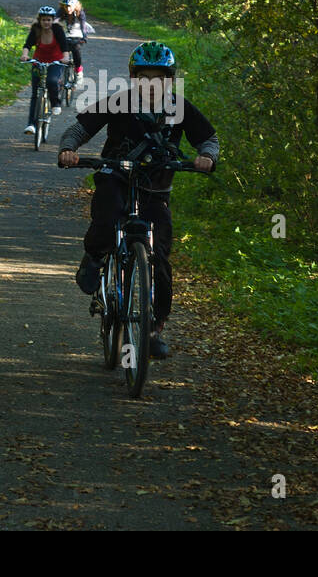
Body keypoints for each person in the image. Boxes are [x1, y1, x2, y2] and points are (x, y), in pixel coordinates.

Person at [57, 41, 218, 358]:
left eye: (160, 78)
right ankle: (93, 257)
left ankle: (154, 327)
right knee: (107, 217)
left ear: (170, 79)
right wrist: (68, 150)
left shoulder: (180, 108)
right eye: (145, 77)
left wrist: (207, 158)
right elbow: (80, 128)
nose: (152, 84)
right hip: (116, 178)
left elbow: (207, 139)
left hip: (155, 190)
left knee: (160, 257)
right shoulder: (119, 102)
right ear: (133, 77)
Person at [21, 5, 72, 135]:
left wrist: (65, 57)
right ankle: (31, 124)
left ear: (52, 20)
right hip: (38, 62)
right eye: (44, 20)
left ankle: (55, 103)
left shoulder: (57, 29)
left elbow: (64, 46)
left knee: (52, 81)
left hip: (55, 62)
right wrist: (25, 55)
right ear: (40, 20)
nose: (46, 22)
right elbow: (27, 45)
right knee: (35, 93)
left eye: (49, 20)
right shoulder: (36, 29)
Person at [57, 0, 95, 84]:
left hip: (76, 32)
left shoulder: (80, 12)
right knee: (60, 50)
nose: (68, 8)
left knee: (76, 49)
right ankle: (58, 74)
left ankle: (78, 72)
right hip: (65, 32)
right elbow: (54, 22)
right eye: (66, 6)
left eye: (70, 6)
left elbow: (83, 25)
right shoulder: (60, 11)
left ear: (75, 5)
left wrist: (84, 37)